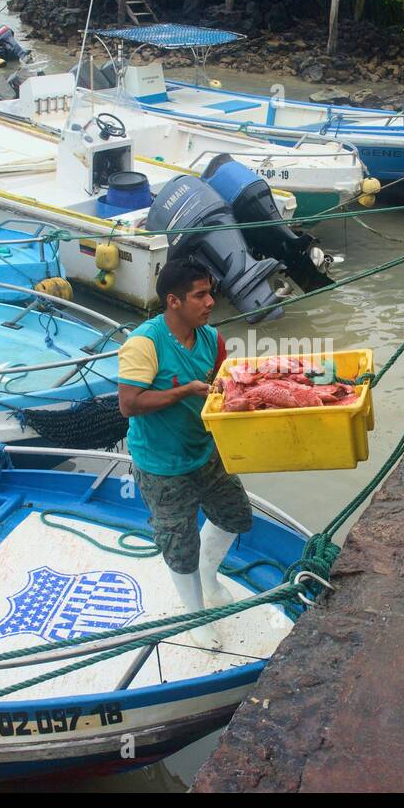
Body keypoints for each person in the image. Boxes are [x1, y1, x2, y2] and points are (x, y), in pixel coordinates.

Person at [117, 258, 253, 650]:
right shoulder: (144, 343)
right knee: (180, 545)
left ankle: (209, 576)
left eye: (211, 292)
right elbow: (129, 404)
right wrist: (183, 391)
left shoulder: (213, 339)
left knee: (236, 517)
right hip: (161, 464)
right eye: (200, 295)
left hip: (205, 451)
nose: (210, 301)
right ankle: (195, 616)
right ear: (173, 301)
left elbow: (226, 390)